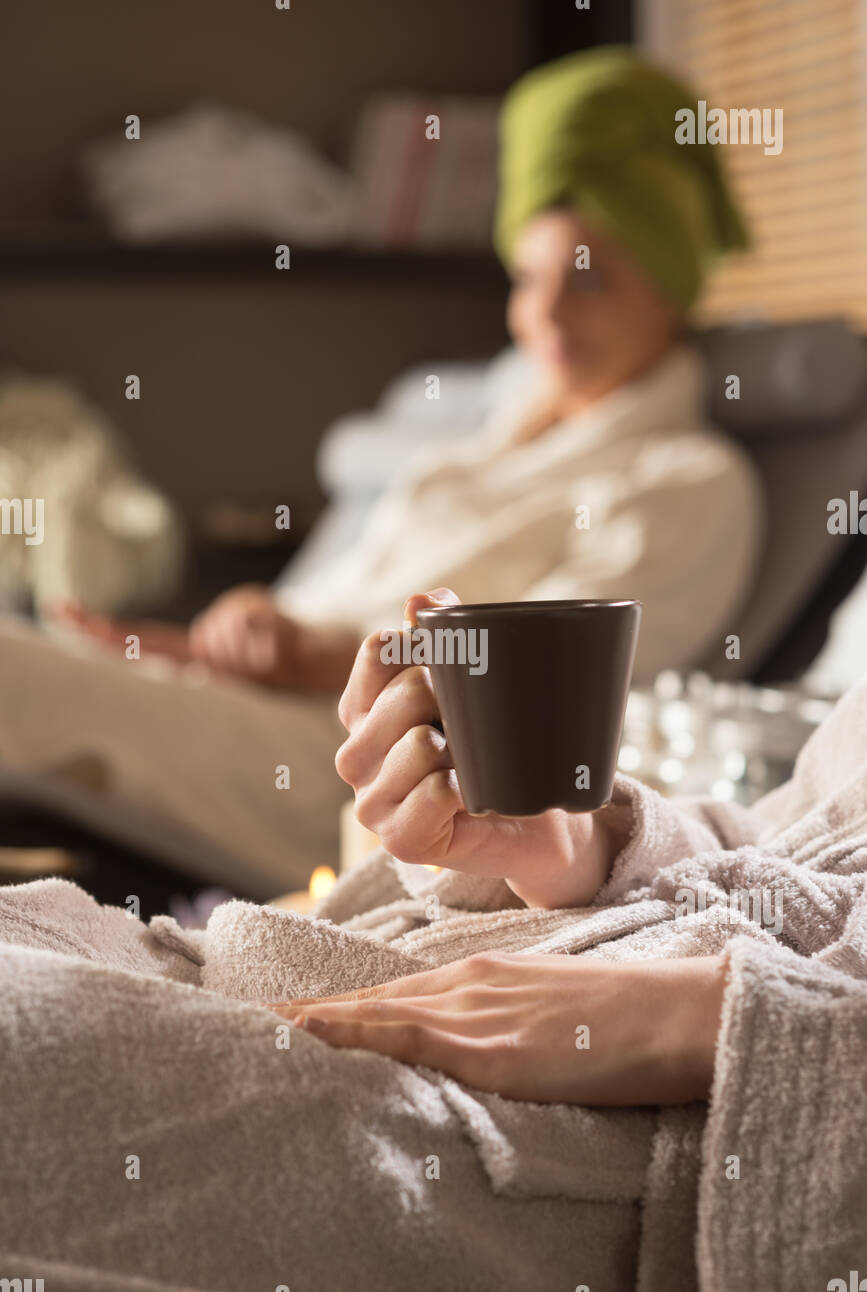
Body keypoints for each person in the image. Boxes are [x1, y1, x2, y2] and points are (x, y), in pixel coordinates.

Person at [0, 47, 761, 893]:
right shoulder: (492, 441)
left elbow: (540, 702)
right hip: (270, 705)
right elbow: (314, 620)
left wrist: (307, 657)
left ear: (669, 287)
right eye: (526, 277)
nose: (541, 314)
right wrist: (226, 641)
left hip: (377, 773)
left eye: (589, 281)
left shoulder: (690, 483)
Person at [1, 586, 865, 1292]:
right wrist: (572, 848)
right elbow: (782, 836)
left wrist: (716, 1021)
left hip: (716, 1142)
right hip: (551, 961)